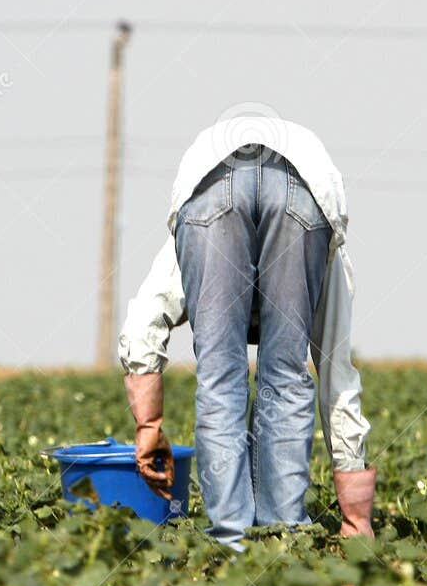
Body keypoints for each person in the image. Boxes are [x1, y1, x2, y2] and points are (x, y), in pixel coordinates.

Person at [117, 118, 374, 549]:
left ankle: (231, 546)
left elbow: (142, 323)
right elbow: (337, 377)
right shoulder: (326, 274)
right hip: (306, 189)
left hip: (210, 186)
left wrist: (149, 425)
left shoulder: (183, 261)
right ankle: (284, 541)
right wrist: (355, 516)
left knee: (220, 378)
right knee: (287, 376)